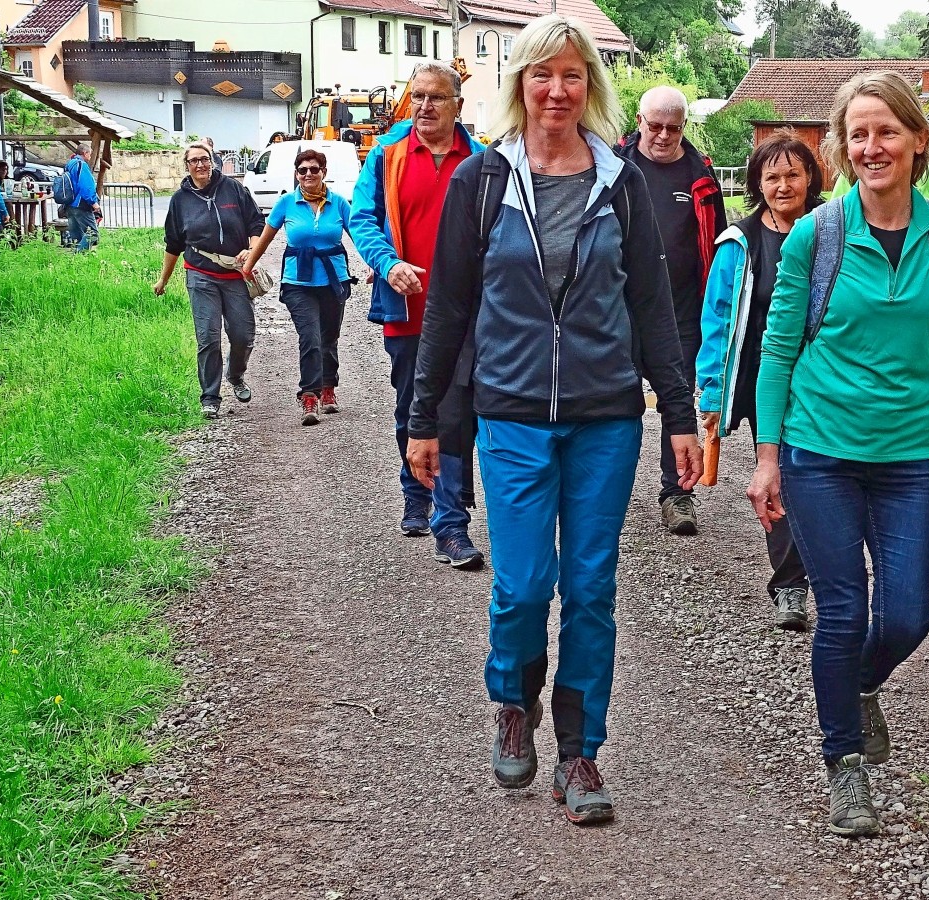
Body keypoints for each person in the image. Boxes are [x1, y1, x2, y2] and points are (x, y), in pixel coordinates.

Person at [405, 14, 700, 827]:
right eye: (543, 75)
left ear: (591, 87)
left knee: (593, 587)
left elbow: (652, 308)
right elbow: (450, 308)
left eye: (573, 76)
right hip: (513, 413)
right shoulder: (483, 180)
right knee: (525, 581)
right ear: (520, 85)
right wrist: (424, 417)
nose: (557, 90)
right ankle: (512, 700)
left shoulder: (623, 181)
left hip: (607, 417)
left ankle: (580, 751)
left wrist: (679, 412)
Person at [746, 72, 929, 838]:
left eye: (887, 130)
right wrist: (767, 457)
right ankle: (844, 767)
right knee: (844, 611)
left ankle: (856, 689)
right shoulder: (816, 236)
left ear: (919, 140)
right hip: (819, 450)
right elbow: (778, 348)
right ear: (842, 147)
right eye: (858, 134)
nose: (872, 146)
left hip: (908, 455)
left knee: (908, 617)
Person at [350, 62, 487, 568]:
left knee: (457, 409)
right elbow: (362, 218)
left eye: (435, 97)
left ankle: (450, 522)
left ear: (457, 104)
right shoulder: (387, 155)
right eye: (418, 97)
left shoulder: (480, 159)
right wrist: (387, 264)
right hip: (408, 309)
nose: (425, 106)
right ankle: (416, 491)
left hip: (467, 314)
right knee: (413, 403)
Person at [696, 131, 823, 631]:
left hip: (820, 381)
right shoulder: (739, 243)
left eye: (793, 174)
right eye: (772, 176)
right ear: (756, 184)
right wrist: (710, 388)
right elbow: (717, 319)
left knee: (818, 479)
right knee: (782, 476)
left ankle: (827, 573)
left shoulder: (831, 232)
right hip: (759, 379)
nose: (783, 185)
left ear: (811, 179)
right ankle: (791, 584)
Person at [616, 85, 726, 536]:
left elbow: (720, 246)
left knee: (676, 402)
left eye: (673, 127)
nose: (663, 135)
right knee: (615, 404)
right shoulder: (613, 168)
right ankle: (607, 490)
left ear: (684, 127)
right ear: (639, 121)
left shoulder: (701, 178)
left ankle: (677, 493)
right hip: (617, 311)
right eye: (655, 125)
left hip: (682, 310)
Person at [242, 148, 354, 426]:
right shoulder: (286, 204)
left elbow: (359, 236)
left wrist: (379, 266)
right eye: (302, 170)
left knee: (329, 336)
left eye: (314, 169)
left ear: (323, 173)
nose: (308, 174)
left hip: (333, 279)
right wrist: (248, 265)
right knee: (310, 337)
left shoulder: (339, 203)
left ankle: (329, 388)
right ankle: (309, 395)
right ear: (296, 174)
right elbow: (265, 239)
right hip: (298, 283)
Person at [154, 142, 264, 420]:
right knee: (208, 338)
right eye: (194, 161)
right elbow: (173, 243)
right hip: (200, 274)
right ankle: (210, 397)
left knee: (243, 335)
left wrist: (250, 251)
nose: (201, 165)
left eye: (205, 159)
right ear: (187, 166)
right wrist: (163, 280)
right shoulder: (180, 200)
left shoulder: (233, 189)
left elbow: (256, 224)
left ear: (213, 161)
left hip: (235, 274)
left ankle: (235, 375)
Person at [64, 143, 101, 252]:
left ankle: (78, 263)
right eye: (90, 153)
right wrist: (94, 202)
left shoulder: (69, 164)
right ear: (85, 153)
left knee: (77, 237)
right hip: (81, 204)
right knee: (93, 234)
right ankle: (77, 256)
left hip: (69, 204)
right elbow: (86, 186)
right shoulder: (81, 165)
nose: (90, 156)